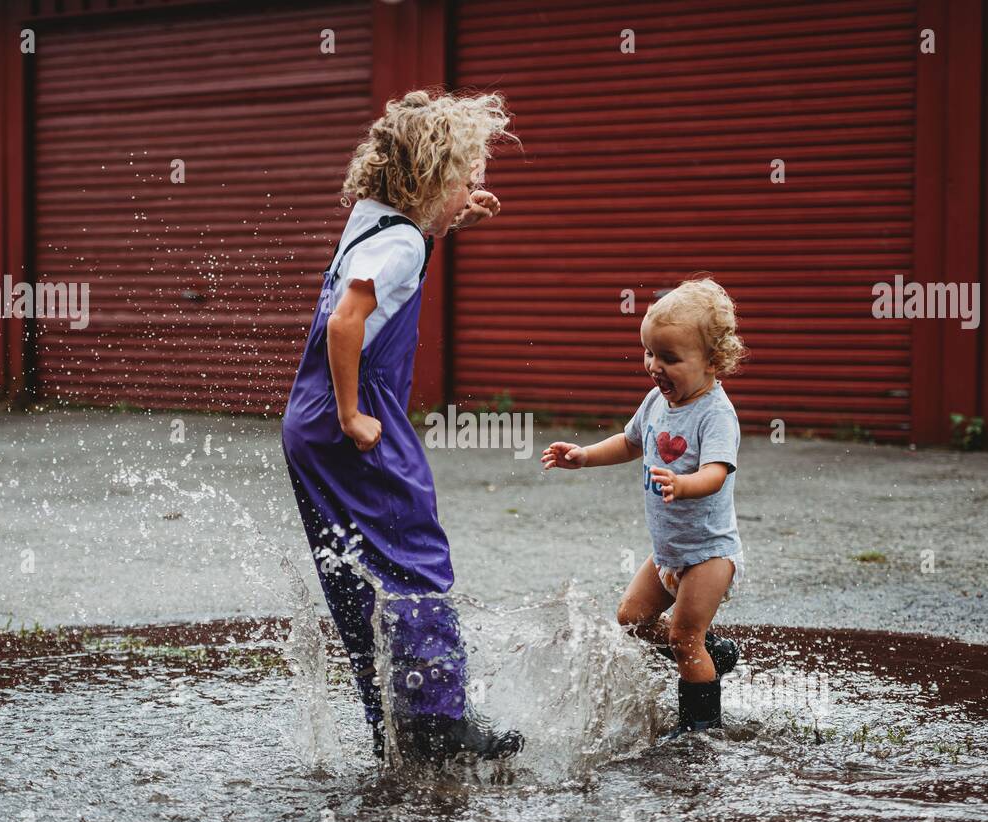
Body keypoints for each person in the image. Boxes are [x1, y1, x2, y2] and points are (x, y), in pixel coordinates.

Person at [281, 90, 523, 762]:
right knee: (415, 552)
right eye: (462, 181)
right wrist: (356, 412)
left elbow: (382, 268)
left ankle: (391, 718)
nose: (472, 190)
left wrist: (447, 223)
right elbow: (346, 320)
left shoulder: (374, 221)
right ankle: (441, 723)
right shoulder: (404, 244)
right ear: (425, 181)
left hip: (306, 426)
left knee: (356, 573)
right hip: (351, 416)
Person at [542, 278, 746, 734]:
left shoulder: (715, 414)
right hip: (668, 551)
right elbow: (631, 441)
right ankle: (714, 656)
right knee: (631, 620)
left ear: (713, 361)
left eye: (670, 358)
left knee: (684, 637)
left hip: (710, 554)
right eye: (650, 353)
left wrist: (685, 483)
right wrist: (585, 456)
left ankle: (701, 729)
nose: (655, 366)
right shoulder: (657, 400)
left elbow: (716, 472)